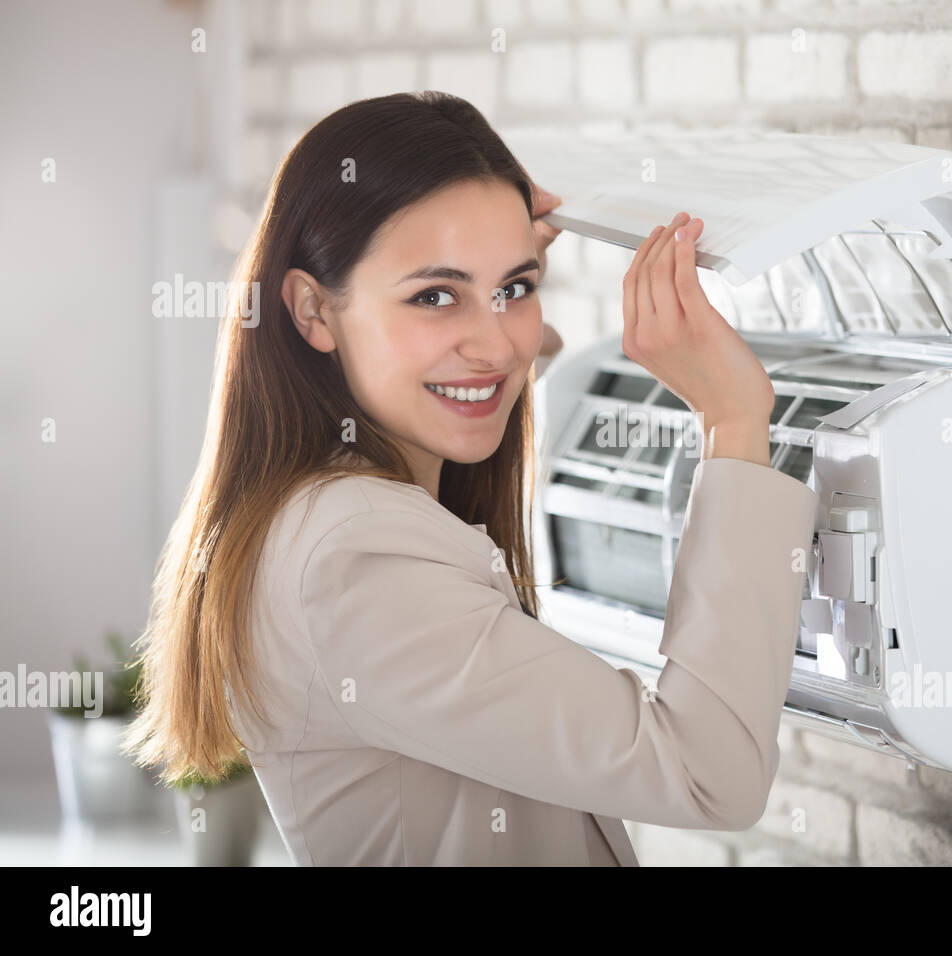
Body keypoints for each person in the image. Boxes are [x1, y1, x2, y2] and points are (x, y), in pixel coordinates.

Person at [123, 91, 818, 865]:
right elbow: (706, 772)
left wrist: (485, 274)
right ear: (313, 310)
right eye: (434, 295)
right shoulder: (358, 561)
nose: (495, 345)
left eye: (515, 289)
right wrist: (733, 420)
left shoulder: (312, 510)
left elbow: (486, 364)